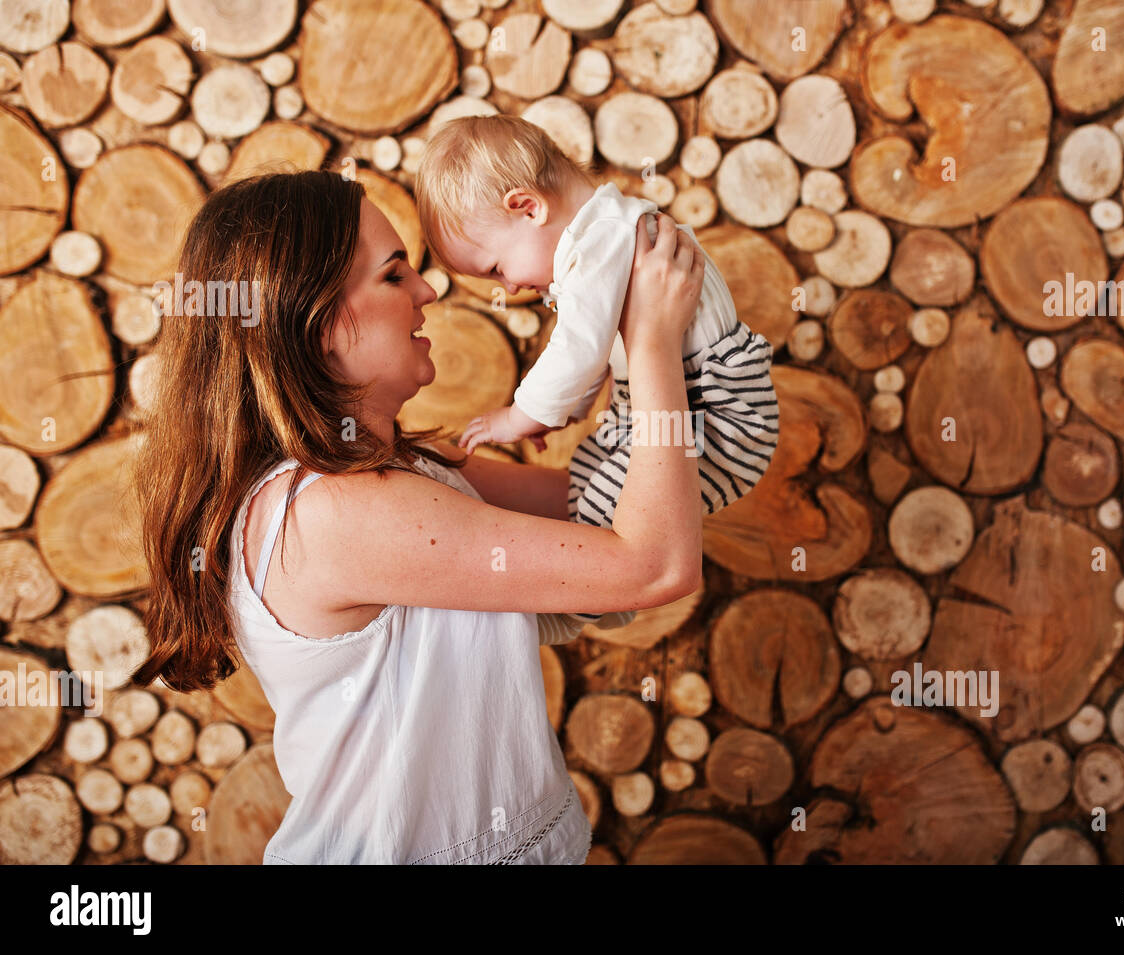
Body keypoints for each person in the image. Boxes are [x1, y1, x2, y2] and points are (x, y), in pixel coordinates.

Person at [131, 170, 706, 864]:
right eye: (394, 274)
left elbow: (618, 505)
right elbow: (655, 565)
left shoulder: (408, 471)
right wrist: (651, 347)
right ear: (315, 320)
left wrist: (612, 334)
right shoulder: (327, 513)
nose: (427, 291)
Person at [415, 114, 779, 646]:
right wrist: (565, 411)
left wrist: (522, 416)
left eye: (496, 267)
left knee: (607, 511)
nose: (510, 285)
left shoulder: (603, 239)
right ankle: (599, 588)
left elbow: (580, 346)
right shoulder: (603, 237)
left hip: (721, 420)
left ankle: (596, 596)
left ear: (527, 207)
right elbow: (600, 347)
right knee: (589, 473)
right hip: (674, 408)